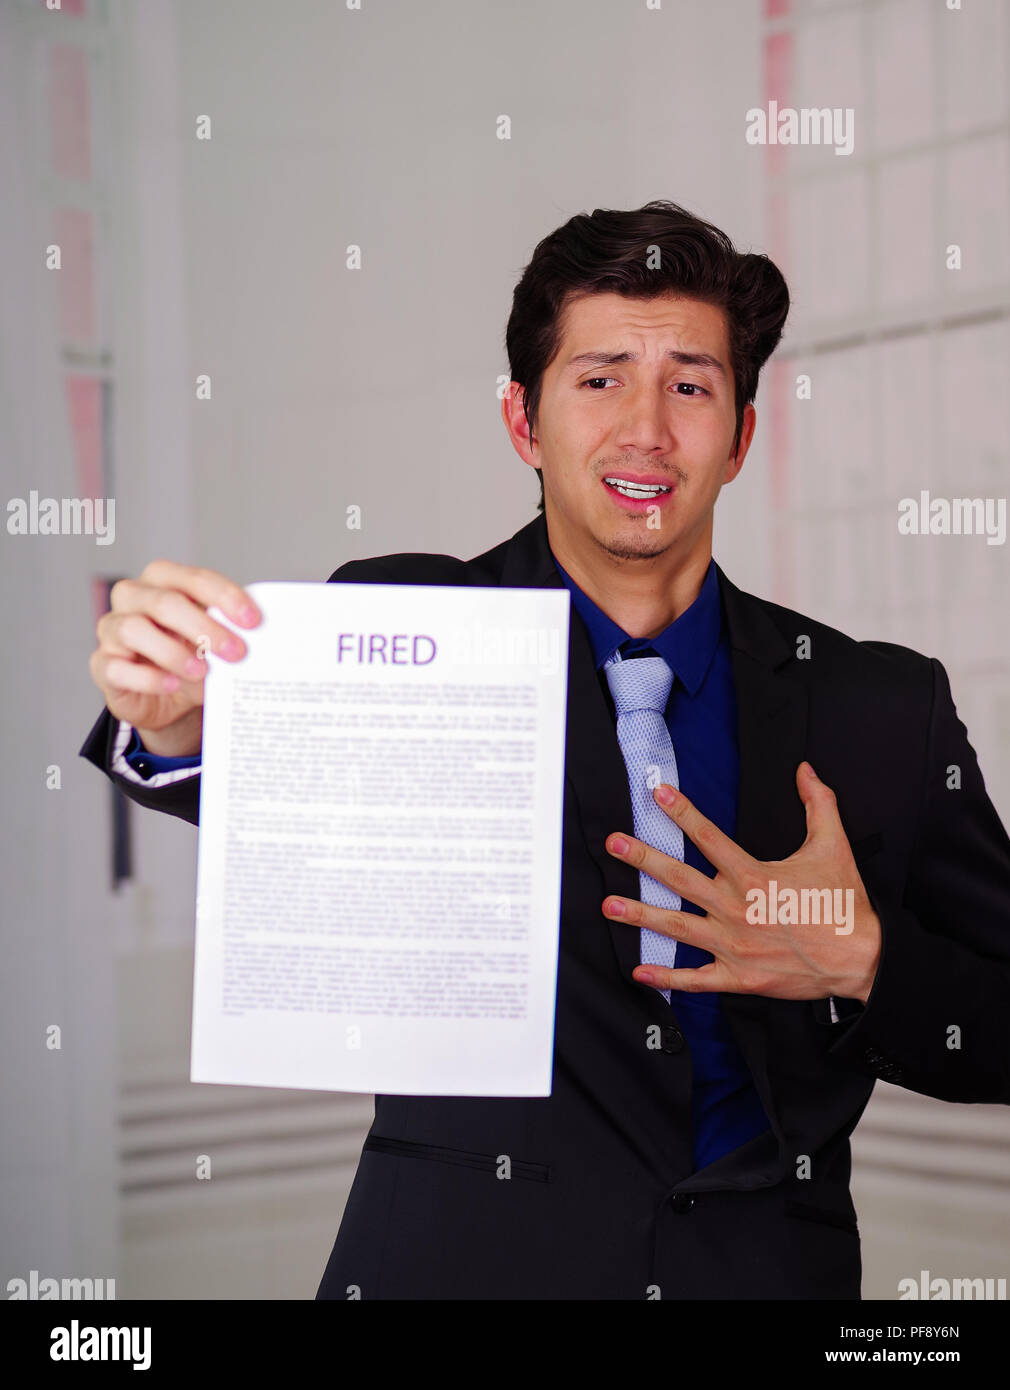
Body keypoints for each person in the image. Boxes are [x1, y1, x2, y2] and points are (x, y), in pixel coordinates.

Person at [81, 200, 1010, 1299]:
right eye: (601, 377)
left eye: (691, 385)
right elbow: (246, 774)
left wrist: (859, 960)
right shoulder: (404, 622)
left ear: (742, 435)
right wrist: (174, 719)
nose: (647, 432)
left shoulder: (877, 706)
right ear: (523, 422)